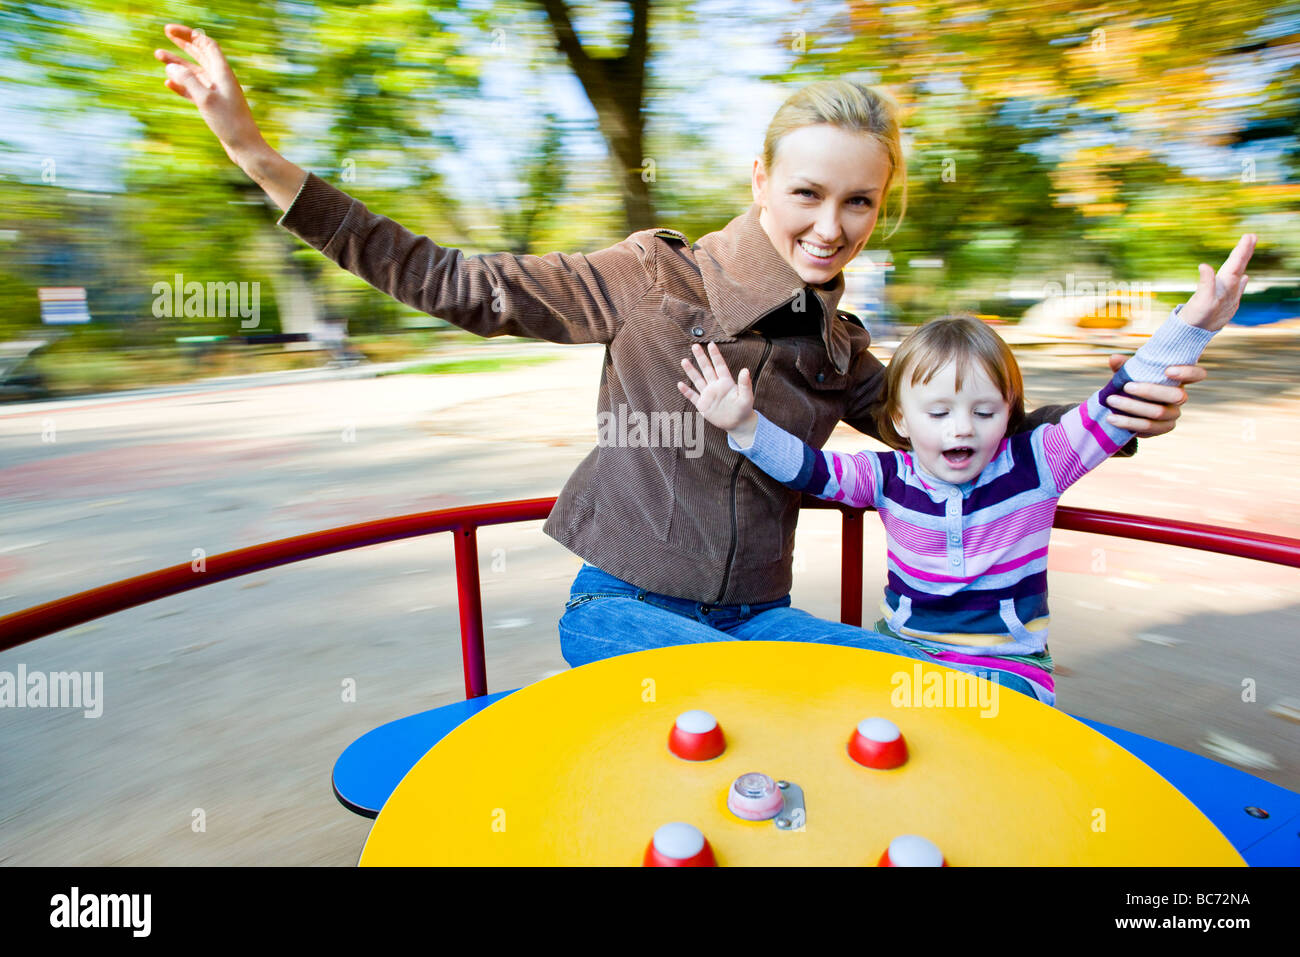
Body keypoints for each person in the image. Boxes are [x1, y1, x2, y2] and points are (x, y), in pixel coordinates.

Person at [154, 25, 1206, 695]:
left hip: (759, 617)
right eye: (807, 192)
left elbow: (949, 424)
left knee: (922, 690)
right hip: (625, 610)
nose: (831, 224)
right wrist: (258, 154)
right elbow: (455, 283)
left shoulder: (838, 346)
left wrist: (1121, 408)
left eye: (858, 202)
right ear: (760, 179)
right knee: (750, 704)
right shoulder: (649, 279)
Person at [678, 236, 1256, 705]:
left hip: (1006, 671)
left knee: (986, 729)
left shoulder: (1038, 464)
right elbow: (811, 469)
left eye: (984, 411)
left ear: (1009, 413)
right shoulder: (888, 477)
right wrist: (745, 426)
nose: (961, 428)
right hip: (905, 657)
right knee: (827, 678)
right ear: (900, 419)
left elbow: (1116, 403)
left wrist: (1193, 326)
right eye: (939, 412)